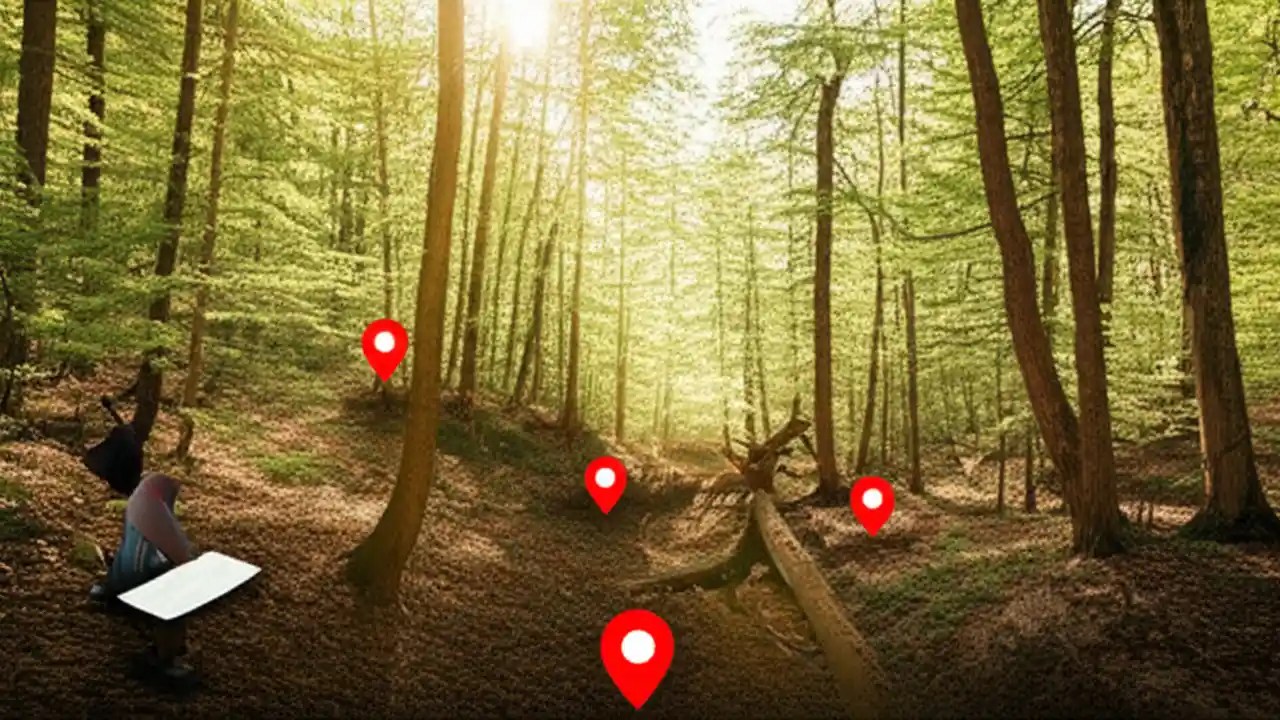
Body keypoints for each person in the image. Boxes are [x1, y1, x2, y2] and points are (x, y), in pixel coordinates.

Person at [83, 421, 197, 684]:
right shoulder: (145, 500)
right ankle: (165, 651)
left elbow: (141, 558)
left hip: (157, 575)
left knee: (169, 600)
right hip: (154, 571)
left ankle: (164, 656)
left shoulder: (145, 501)